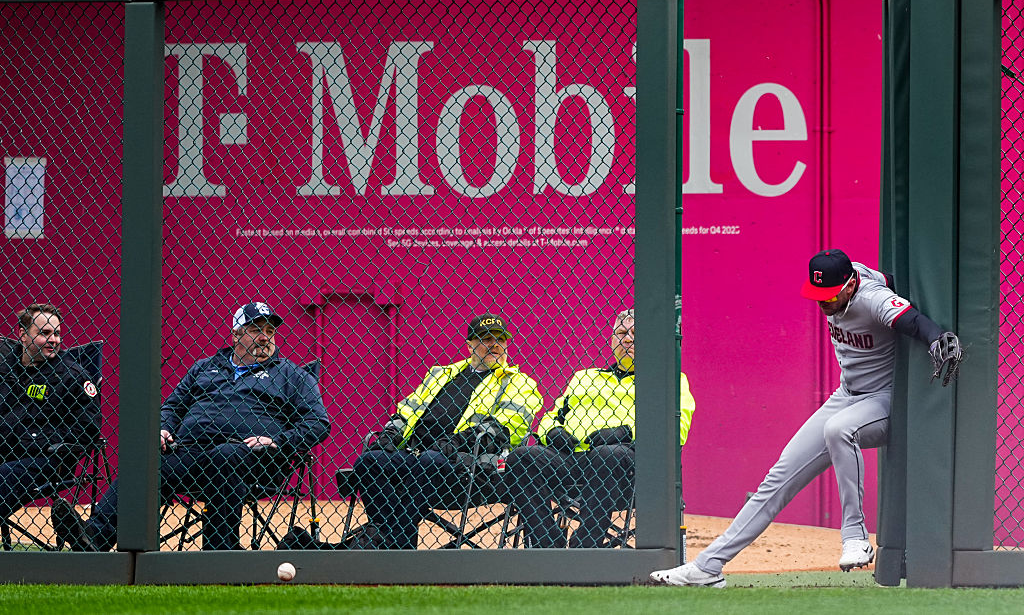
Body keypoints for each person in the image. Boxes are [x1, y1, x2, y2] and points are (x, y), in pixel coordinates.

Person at [650, 249, 964, 587]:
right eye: (817, 294)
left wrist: (935, 337)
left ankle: (855, 537)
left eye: (829, 295)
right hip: (846, 395)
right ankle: (707, 568)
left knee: (839, 430)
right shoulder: (854, 274)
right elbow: (884, 276)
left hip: (884, 401)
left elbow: (911, 319)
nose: (822, 302)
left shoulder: (872, 298)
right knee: (777, 480)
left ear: (849, 285)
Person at [68, 302, 330, 551]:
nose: (265, 337)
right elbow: (171, 408)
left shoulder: (292, 374)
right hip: (190, 453)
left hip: (254, 458)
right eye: (255, 329)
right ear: (236, 335)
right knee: (146, 461)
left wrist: (276, 441)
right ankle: (93, 538)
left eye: (270, 331)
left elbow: (318, 423)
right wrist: (162, 428)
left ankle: (218, 551)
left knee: (225, 455)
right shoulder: (204, 368)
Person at [504, 309, 695, 547]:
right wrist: (552, 432)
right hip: (571, 457)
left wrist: (626, 433)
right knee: (522, 457)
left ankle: (585, 546)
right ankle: (548, 544)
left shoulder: (668, 379)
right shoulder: (585, 377)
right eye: (622, 333)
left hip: (628, 465)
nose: (628, 339)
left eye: (636, 333)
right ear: (613, 340)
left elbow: (676, 426)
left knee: (607, 455)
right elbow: (552, 415)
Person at [350, 313, 542, 549]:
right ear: (470, 344)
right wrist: (391, 434)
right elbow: (409, 409)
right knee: (369, 461)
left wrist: (459, 441)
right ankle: (387, 533)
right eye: (486, 338)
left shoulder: (518, 382)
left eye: (500, 339)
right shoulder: (441, 374)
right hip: (417, 453)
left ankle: (394, 543)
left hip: (470, 464)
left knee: (430, 462)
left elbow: (506, 427)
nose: (494, 344)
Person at [0, 304, 100, 537]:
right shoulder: (5, 368)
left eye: (56, 333)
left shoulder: (73, 375)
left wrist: (42, 442)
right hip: (5, 450)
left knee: (3, 475)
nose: (53, 339)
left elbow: (88, 428)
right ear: (23, 335)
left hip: (48, 459)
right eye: (44, 333)